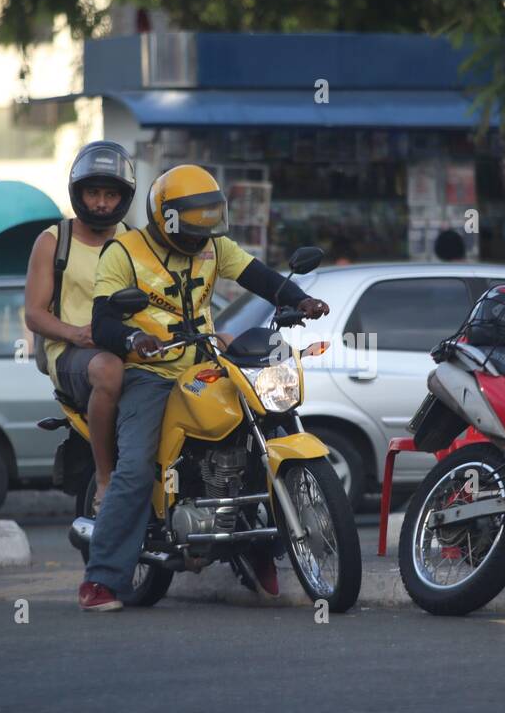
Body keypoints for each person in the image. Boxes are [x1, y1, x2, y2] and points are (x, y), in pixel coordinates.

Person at [80, 164, 331, 611]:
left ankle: (257, 547)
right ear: (166, 217)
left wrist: (299, 300)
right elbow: (102, 322)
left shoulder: (214, 247)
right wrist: (134, 339)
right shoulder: (123, 251)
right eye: (193, 225)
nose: (200, 236)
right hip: (151, 373)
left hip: (209, 365)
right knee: (137, 467)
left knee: (263, 436)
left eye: (206, 223)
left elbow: (259, 277)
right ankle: (100, 579)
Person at [25, 141, 135, 511]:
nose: (101, 203)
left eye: (109, 193)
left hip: (128, 344)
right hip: (73, 353)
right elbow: (34, 315)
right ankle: (105, 477)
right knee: (108, 369)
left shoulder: (135, 241)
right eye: (93, 193)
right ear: (78, 194)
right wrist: (76, 333)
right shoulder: (55, 242)